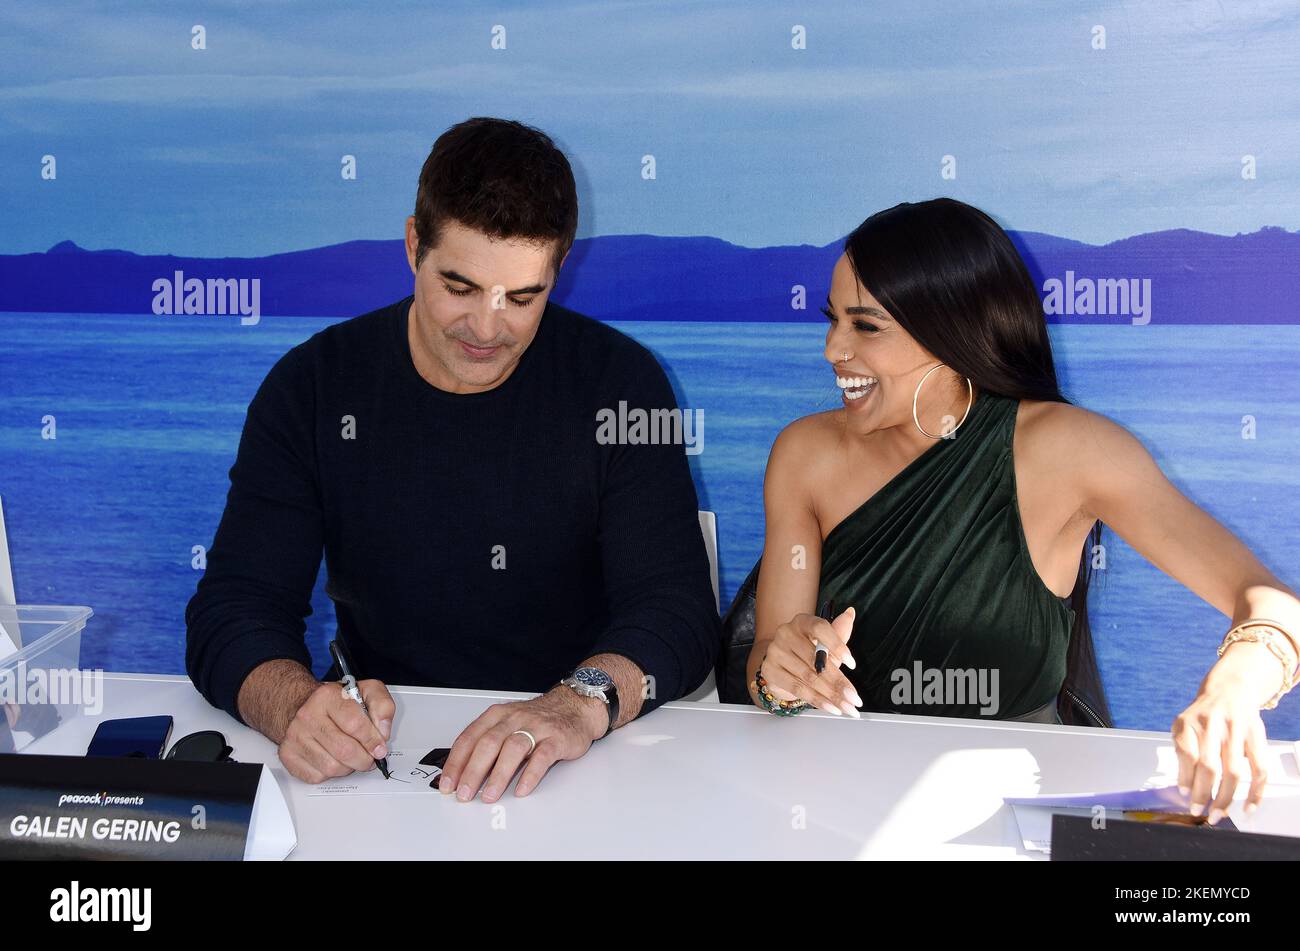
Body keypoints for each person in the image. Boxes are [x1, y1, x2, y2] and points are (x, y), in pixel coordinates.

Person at [186, 117, 719, 802]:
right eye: (460, 288)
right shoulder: (313, 386)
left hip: (580, 761)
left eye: (522, 297)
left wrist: (573, 705)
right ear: (414, 245)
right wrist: (295, 705)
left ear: (558, 270)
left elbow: (677, 613)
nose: (487, 328)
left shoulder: (623, 384)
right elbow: (233, 608)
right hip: (383, 760)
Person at [747, 198, 1299, 824]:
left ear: (950, 331)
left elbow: (1275, 605)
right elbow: (767, 658)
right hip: (834, 803)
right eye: (832, 320)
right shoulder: (804, 454)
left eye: (865, 327)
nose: (832, 350)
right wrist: (780, 675)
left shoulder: (1067, 450)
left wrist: (1233, 691)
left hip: (1012, 810)